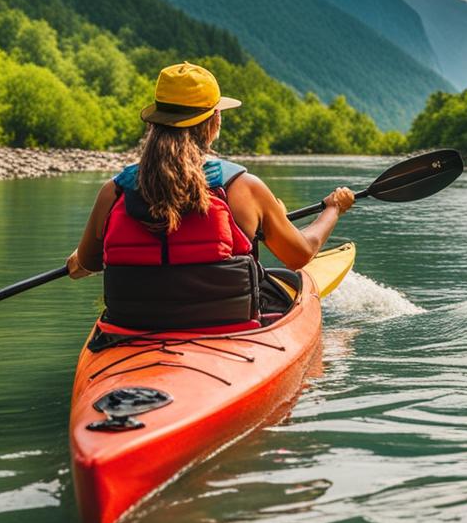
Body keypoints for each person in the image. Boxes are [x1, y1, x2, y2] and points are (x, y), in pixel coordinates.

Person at [66, 62, 354, 330]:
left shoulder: (114, 190)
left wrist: (79, 257)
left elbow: (89, 263)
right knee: (287, 287)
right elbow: (301, 254)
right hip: (225, 329)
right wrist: (333, 208)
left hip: (133, 329)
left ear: (154, 123)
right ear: (214, 122)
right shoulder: (245, 188)